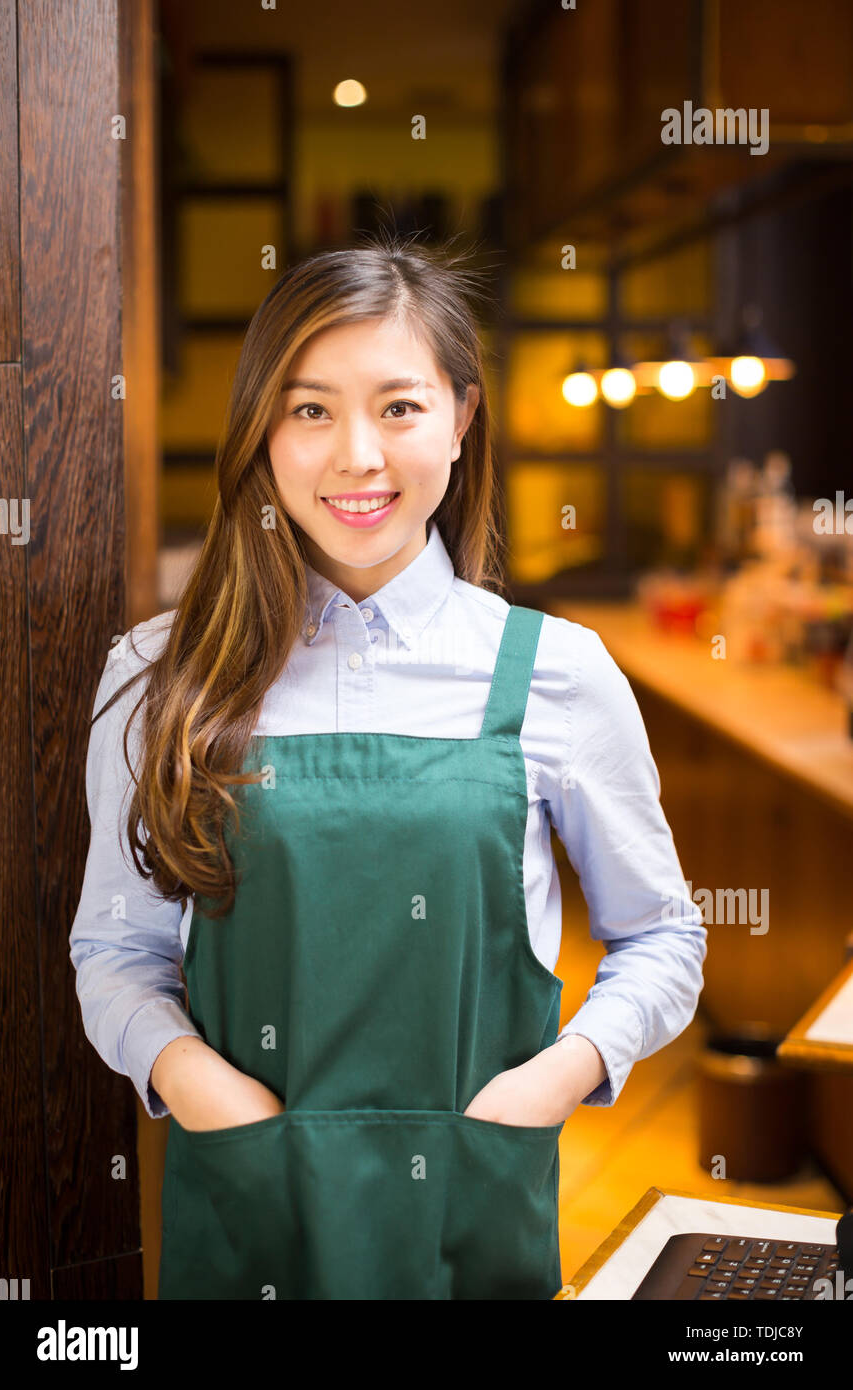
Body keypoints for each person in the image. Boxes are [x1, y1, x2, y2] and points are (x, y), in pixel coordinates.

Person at [69, 231, 707, 1301]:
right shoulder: (156, 672)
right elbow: (115, 951)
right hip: (251, 1204)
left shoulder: (555, 672)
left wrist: (554, 1079)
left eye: (399, 406)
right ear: (262, 431)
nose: (356, 455)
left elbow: (660, 936)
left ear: (460, 418)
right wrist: (202, 1087)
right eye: (309, 408)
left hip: (469, 1200)